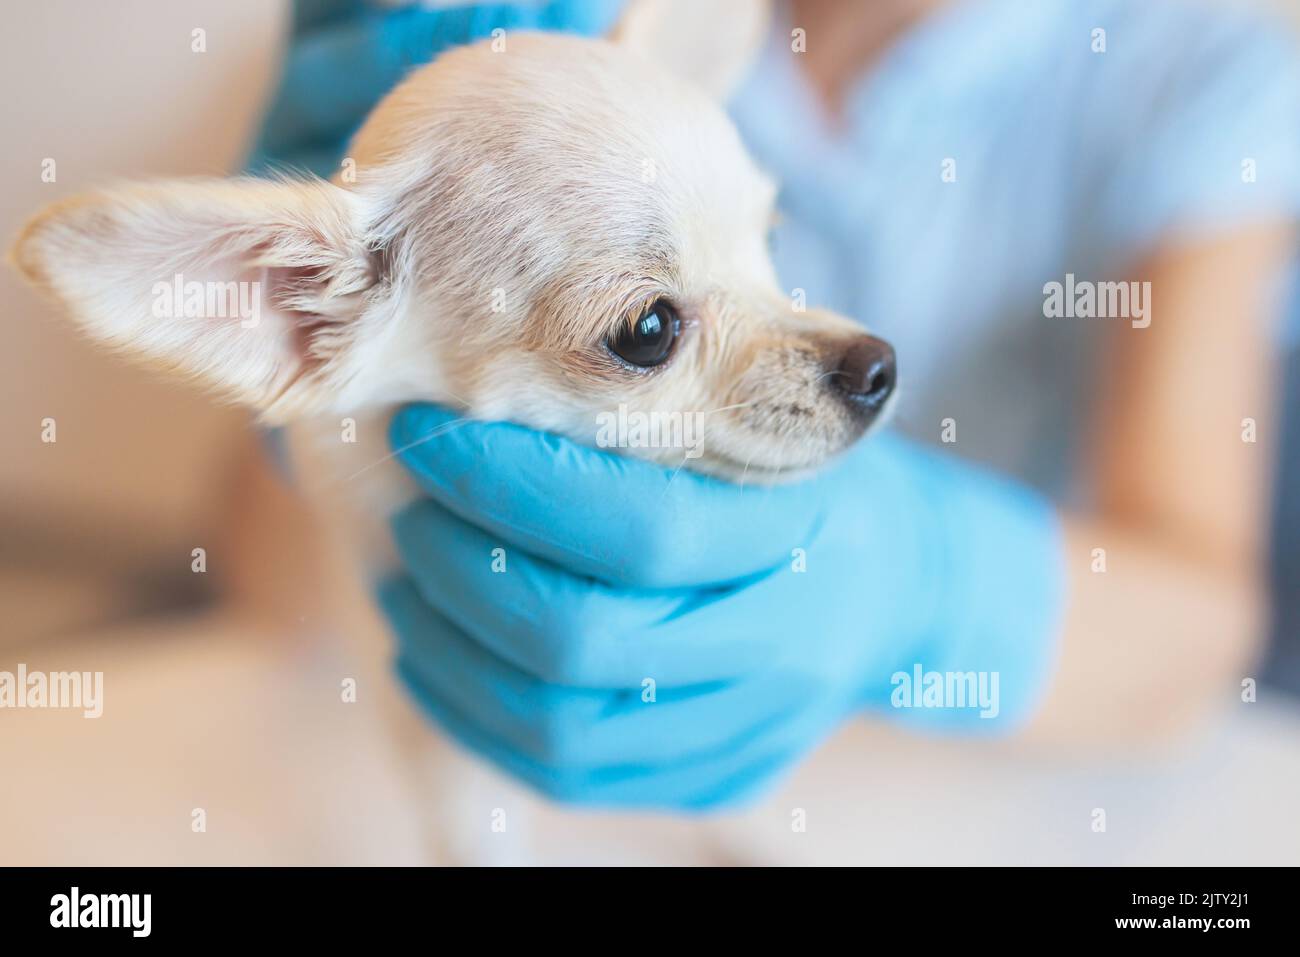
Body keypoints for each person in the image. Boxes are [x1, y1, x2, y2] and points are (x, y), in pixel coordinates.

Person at [251, 0, 1300, 808]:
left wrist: (915, 588)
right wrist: (324, 347)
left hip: (993, 782)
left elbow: (1195, 639)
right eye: (647, 326)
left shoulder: (1191, 69)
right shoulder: (542, 46)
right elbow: (265, 577)